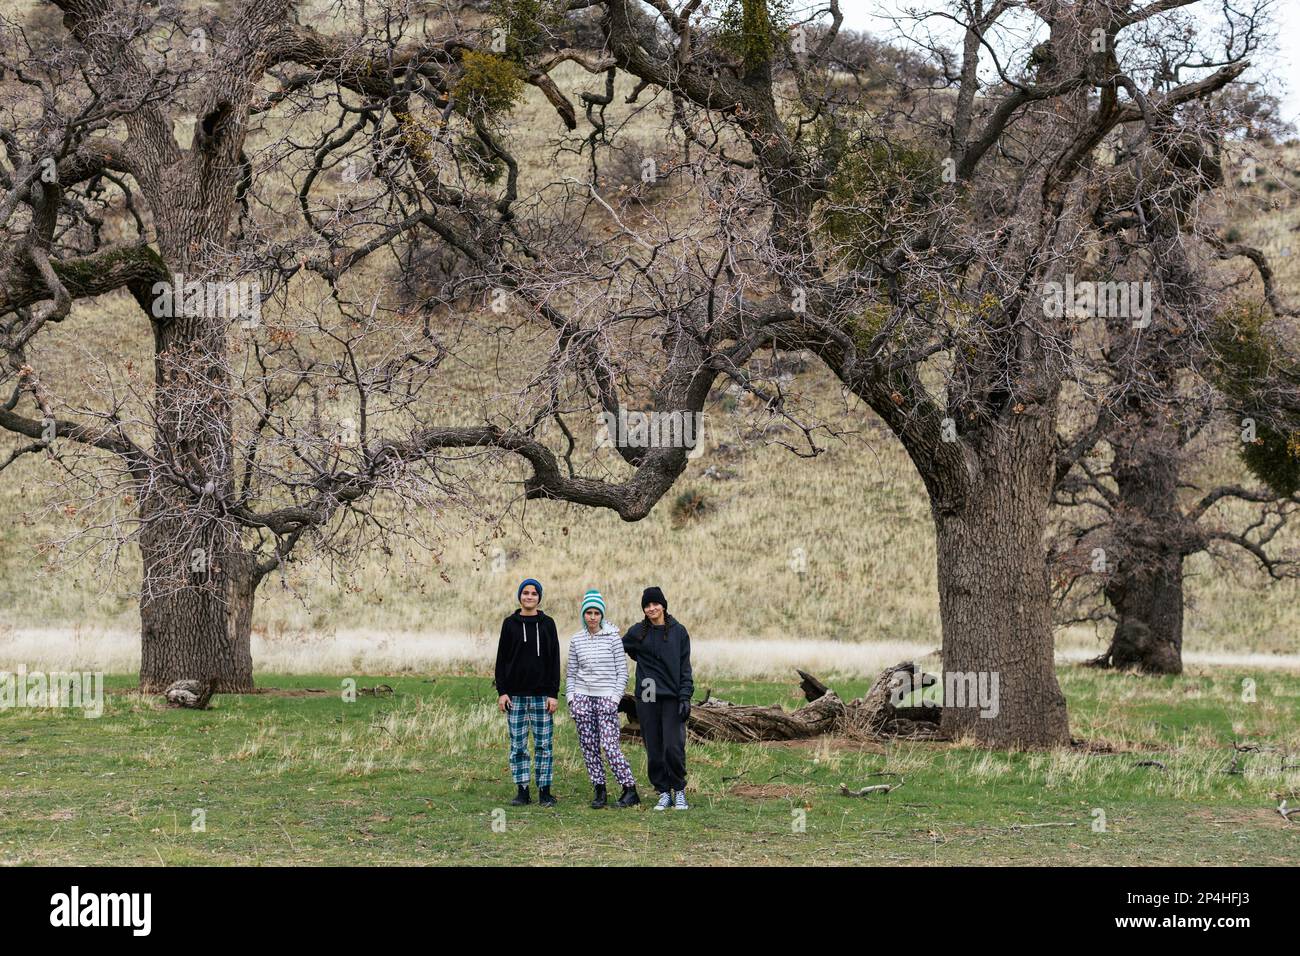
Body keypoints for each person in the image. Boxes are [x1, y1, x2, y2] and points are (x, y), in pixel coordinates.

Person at [566, 589, 640, 809]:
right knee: (589, 746)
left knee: (609, 745)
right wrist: (572, 699)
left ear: (602, 615)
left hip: (606, 698)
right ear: (583, 615)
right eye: (588, 612)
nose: (592, 617)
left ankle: (629, 789)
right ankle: (599, 789)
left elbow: (622, 673)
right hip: (582, 698)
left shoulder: (613, 638)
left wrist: (614, 698)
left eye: (596, 613)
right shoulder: (576, 640)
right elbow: (571, 672)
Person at [622, 586, 693, 811]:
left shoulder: (678, 631)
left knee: (673, 746)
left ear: (663, 605)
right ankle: (663, 792)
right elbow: (621, 647)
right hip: (649, 694)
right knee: (654, 747)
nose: (652, 608)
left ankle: (679, 790)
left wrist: (685, 697)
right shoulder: (637, 632)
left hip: (672, 696)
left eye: (655, 604)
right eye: (647, 605)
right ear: (643, 609)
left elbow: (685, 667)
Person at [494, 578, 560, 806]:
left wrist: (553, 693)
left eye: (533, 593)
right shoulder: (510, 624)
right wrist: (502, 692)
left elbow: (554, 660)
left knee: (543, 744)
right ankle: (522, 790)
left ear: (539, 597)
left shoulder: (548, 624)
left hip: (542, 696)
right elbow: (501, 660)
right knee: (518, 745)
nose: (529, 596)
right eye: (525, 593)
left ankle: (545, 791)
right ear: (520, 596)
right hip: (516, 697)